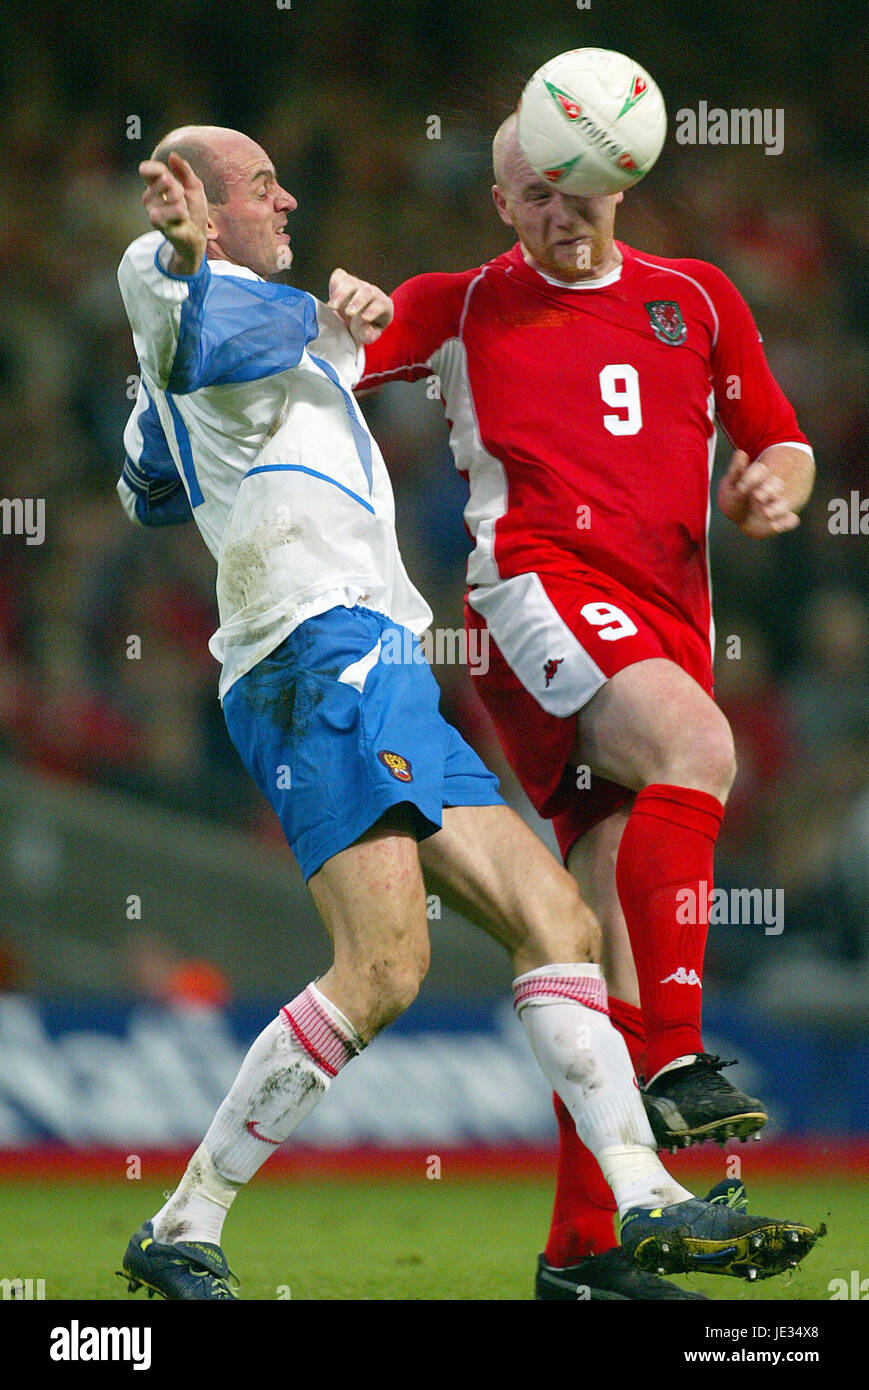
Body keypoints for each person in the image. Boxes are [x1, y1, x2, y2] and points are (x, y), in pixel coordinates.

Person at [112, 125, 819, 1301]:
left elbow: (146, 479)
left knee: (560, 924)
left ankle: (634, 1208)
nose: (288, 196)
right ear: (198, 205)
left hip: (376, 651)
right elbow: (196, 339)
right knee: (385, 966)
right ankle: (186, 1219)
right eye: (257, 184)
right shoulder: (170, 278)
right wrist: (299, 312)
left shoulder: (250, 323)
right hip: (310, 647)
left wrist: (193, 414)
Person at [352, 110, 816, 1300]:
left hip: (666, 623)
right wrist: (332, 316)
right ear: (503, 204)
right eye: (536, 195)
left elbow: (779, 433)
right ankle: (672, 1063)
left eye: (581, 189)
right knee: (697, 745)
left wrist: (778, 481)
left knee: (600, 935)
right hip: (535, 596)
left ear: (619, 179)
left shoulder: (697, 297)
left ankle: (583, 1253)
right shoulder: (457, 304)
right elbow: (324, 358)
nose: (563, 212)